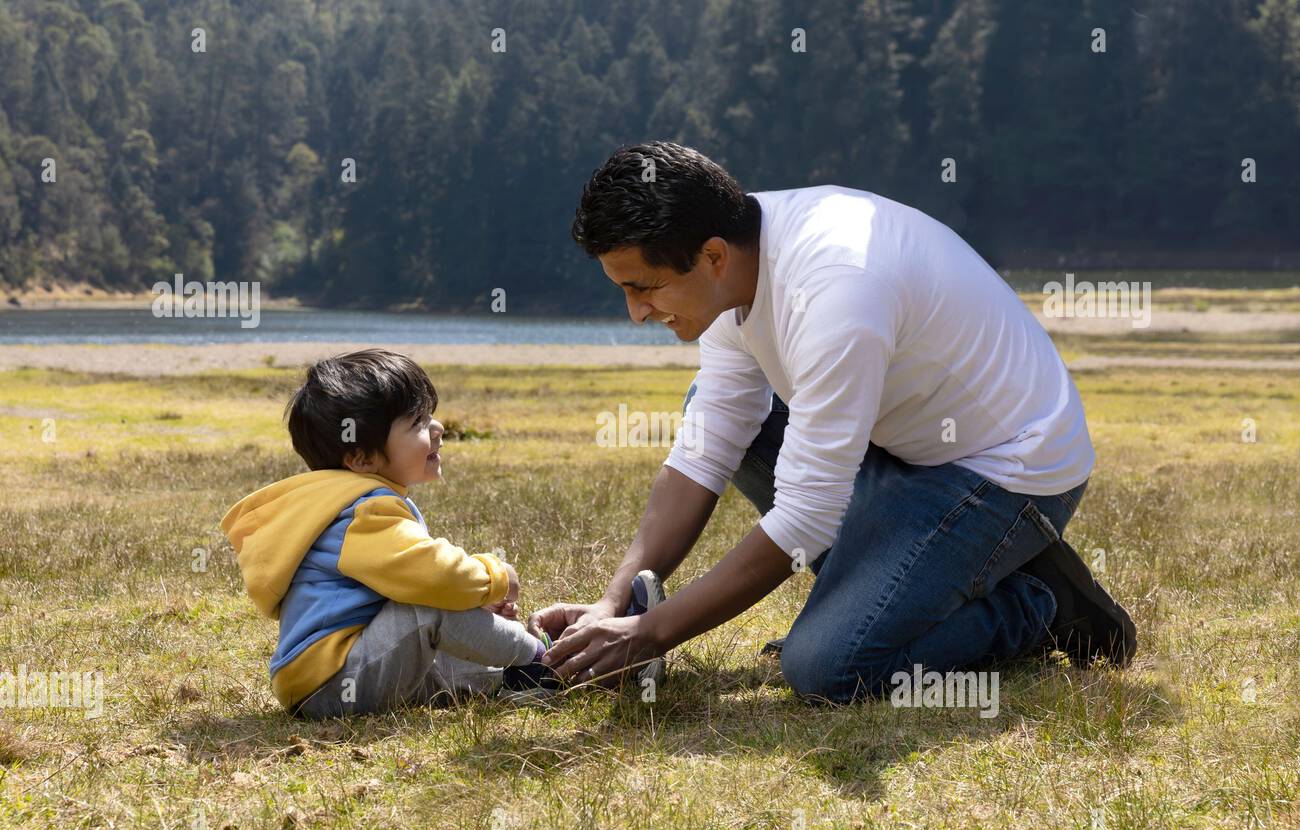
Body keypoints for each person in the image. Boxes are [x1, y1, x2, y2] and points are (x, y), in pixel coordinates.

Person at [531, 141, 1136, 703]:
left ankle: (1035, 603)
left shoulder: (837, 289)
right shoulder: (731, 270)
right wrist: (614, 603)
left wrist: (651, 633)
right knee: (716, 409)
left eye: (646, 289)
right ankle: (915, 583)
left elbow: (807, 515)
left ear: (712, 255)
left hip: (1005, 470)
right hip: (903, 450)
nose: (637, 313)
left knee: (827, 667)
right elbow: (707, 447)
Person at [220, 348, 552, 717]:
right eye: (419, 423)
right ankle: (543, 663)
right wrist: (495, 577)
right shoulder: (363, 510)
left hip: (331, 678)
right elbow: (433, 577)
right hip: (336, 680)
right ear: (362, 458)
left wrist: (473, 606)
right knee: (428, 605)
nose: (438, 427)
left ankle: (510, 679)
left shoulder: (339, 503)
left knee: (454, 648)